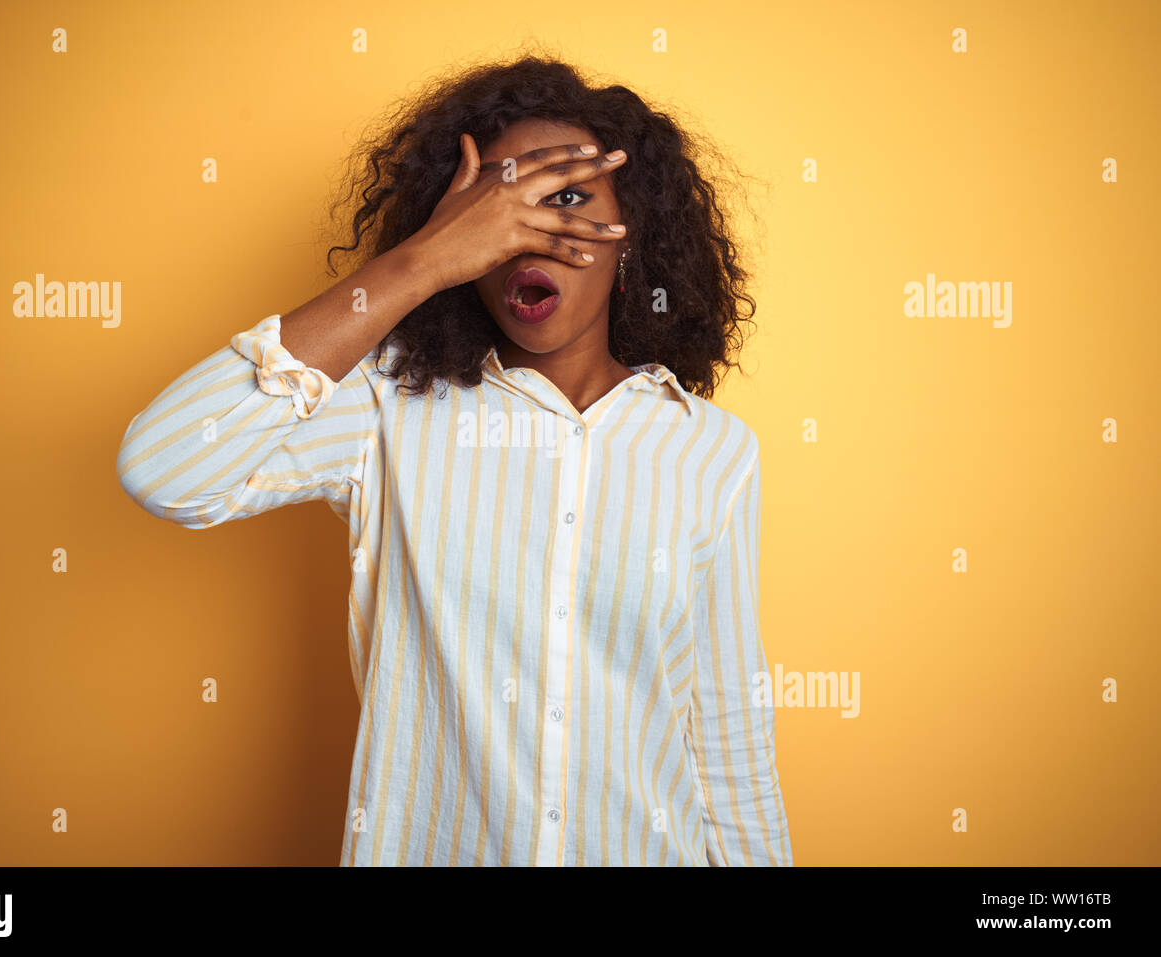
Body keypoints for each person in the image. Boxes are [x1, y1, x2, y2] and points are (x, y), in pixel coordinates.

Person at [116, 54, 792, 866]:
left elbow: (726, 735)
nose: (525, 230)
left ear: (632, 233)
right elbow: (163, 465)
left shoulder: (711, 451)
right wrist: (425, 261)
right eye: (493, 204)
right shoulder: (386, 411)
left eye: (567, 198)